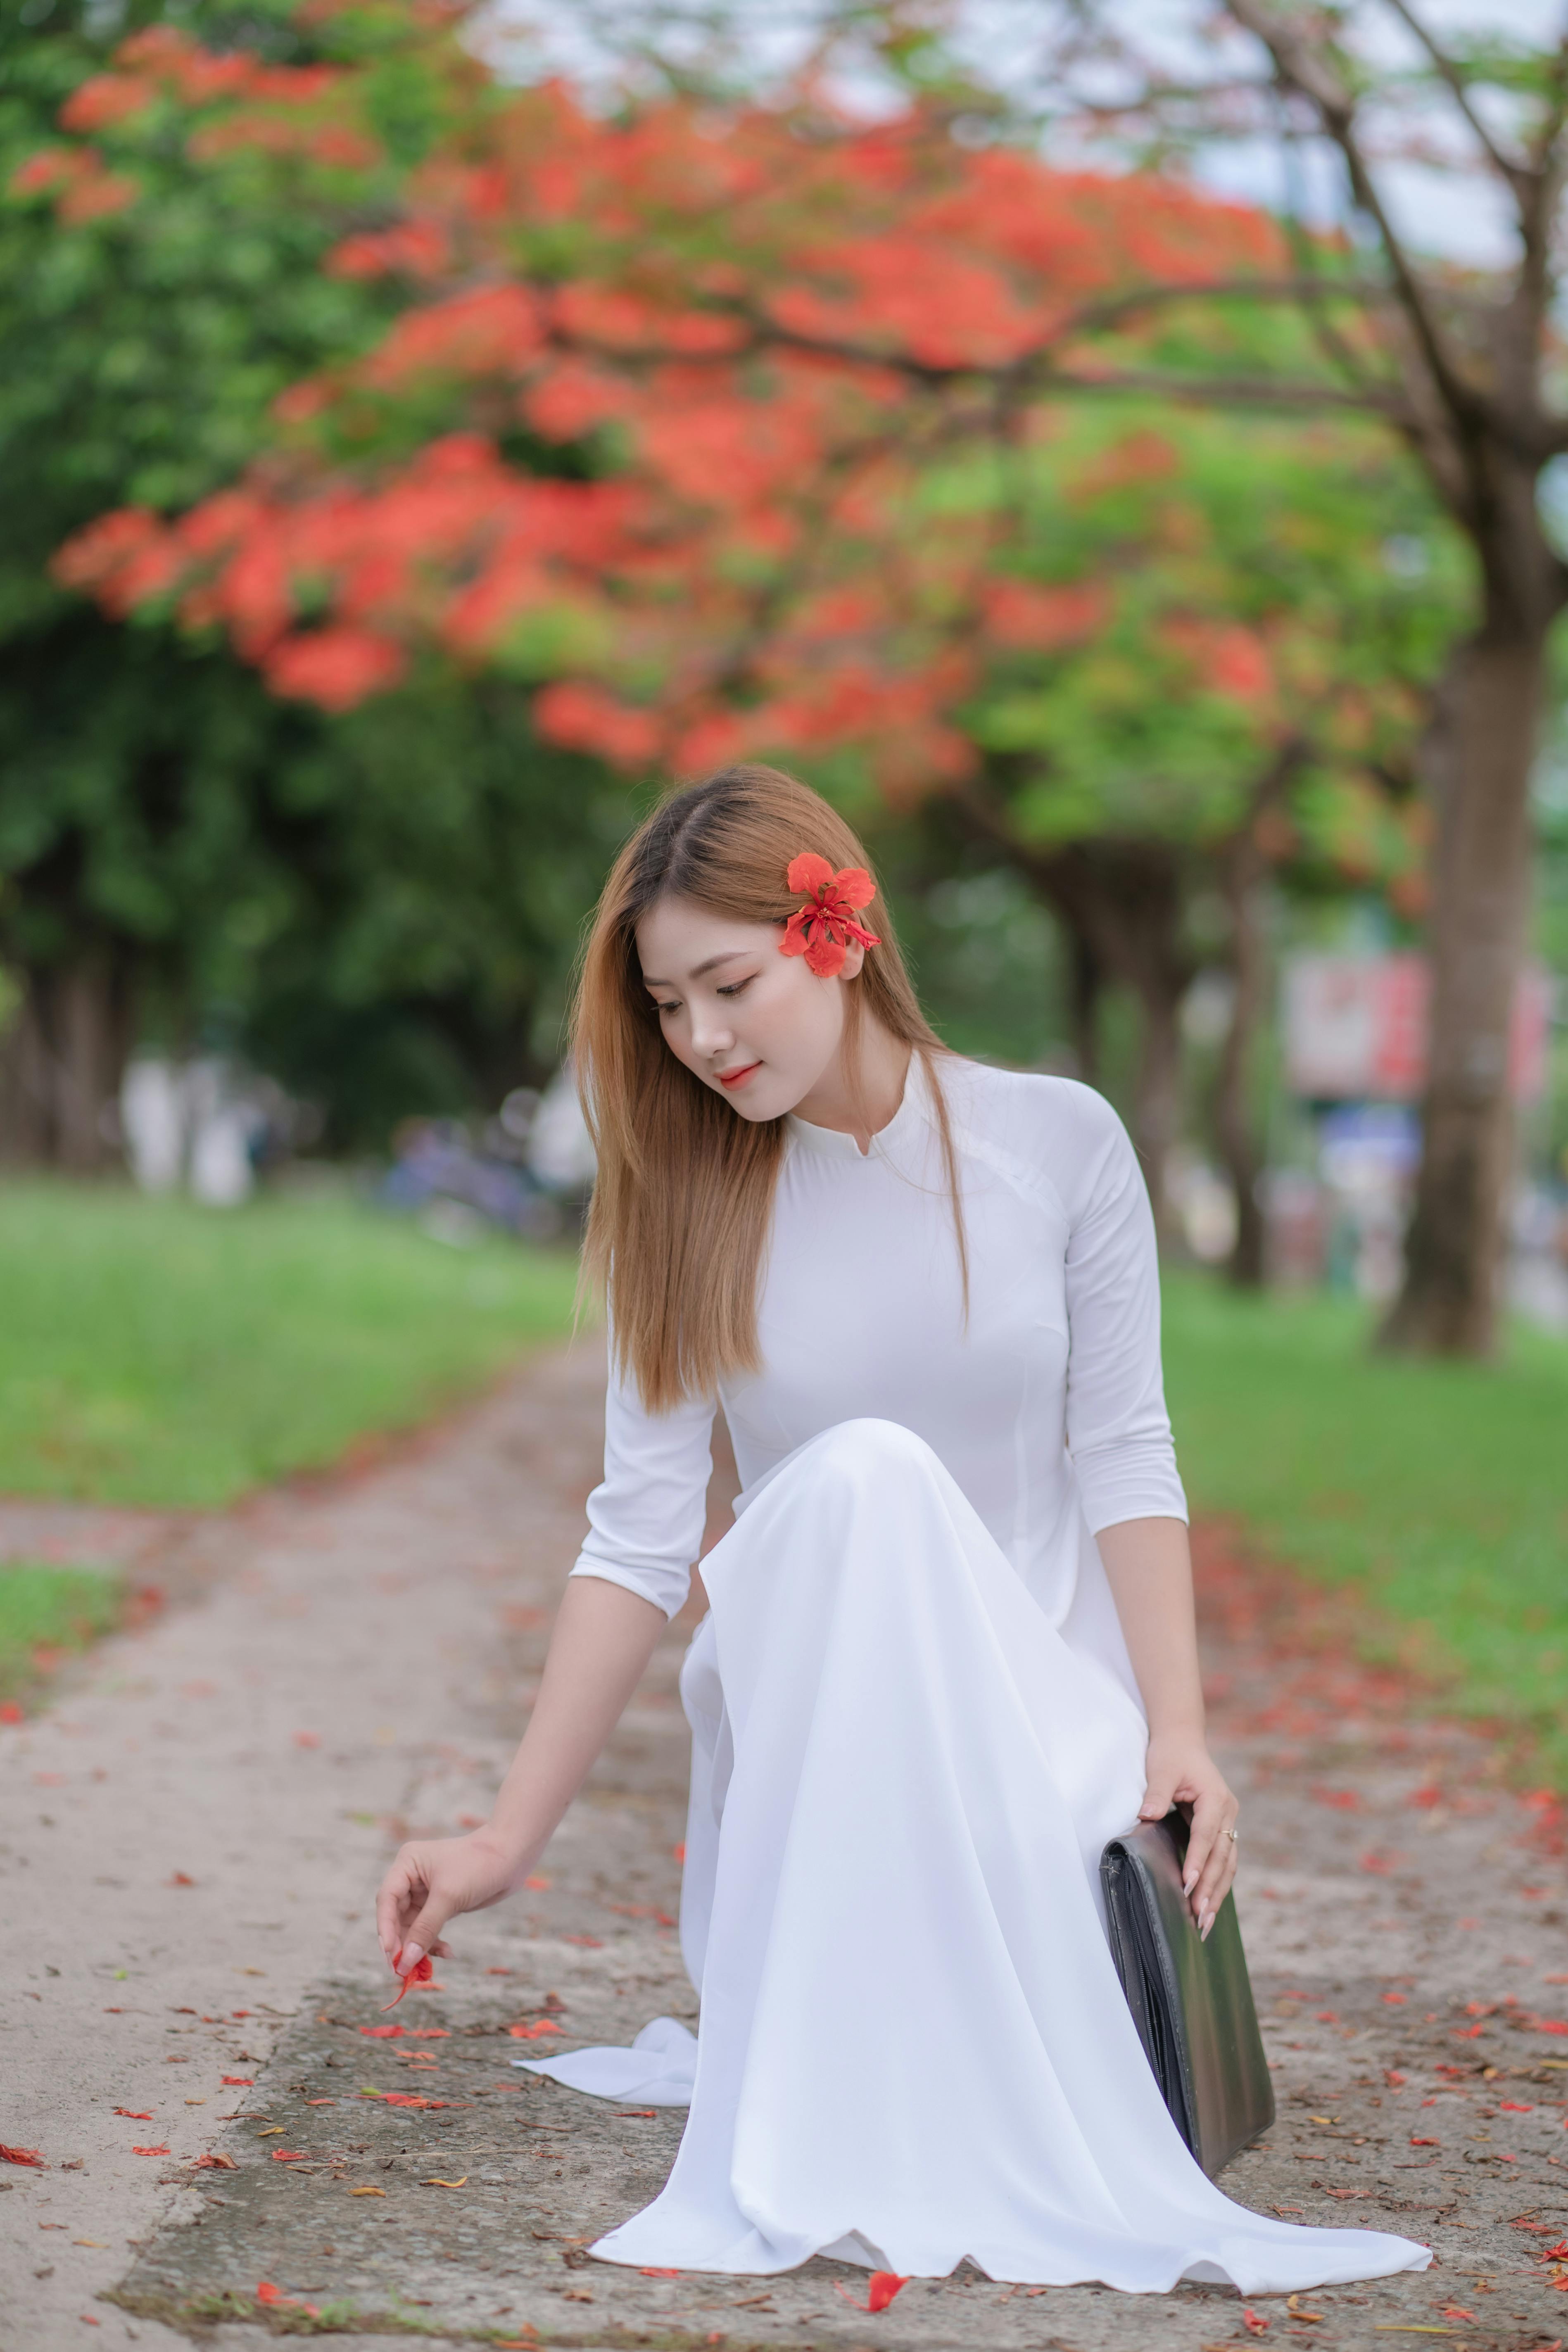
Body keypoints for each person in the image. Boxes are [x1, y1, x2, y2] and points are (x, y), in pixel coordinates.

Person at [375, 765, 1429, 2294]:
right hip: (818, 1738)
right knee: (862, 1477)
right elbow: (638, 1542)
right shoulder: (682, 1200)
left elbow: (1123, 1450)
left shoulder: (1057, 1144)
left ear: (838, 936)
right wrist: (499, 1839)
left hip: (1039, 1722)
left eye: (728, 985)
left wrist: (1179, 1733)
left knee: (879, 1478)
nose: (701, 1038)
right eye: (666, 1006)